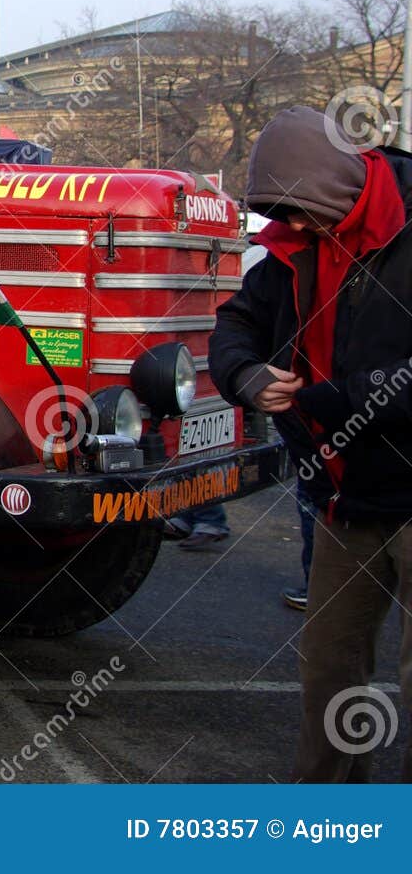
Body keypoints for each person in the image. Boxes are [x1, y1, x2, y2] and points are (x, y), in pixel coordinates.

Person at [208, 106, 412, 782]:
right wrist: (244, 373)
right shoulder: (294, 245)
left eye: (297, 210)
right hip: (341, 498)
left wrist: (336, 399)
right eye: (278, 213)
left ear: (337, 187)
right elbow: (235, 323)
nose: (289, 227)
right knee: (329, 671)